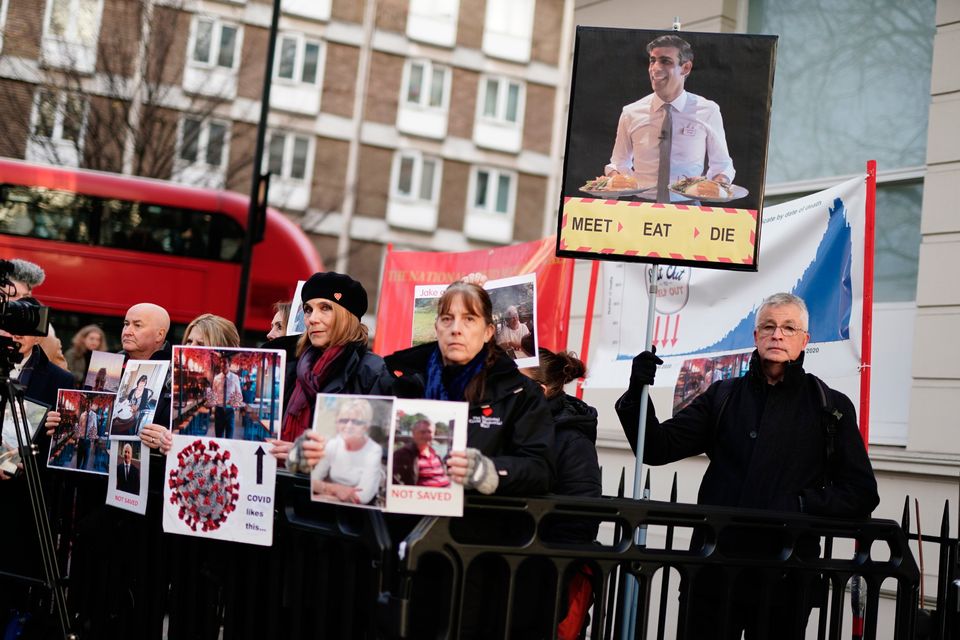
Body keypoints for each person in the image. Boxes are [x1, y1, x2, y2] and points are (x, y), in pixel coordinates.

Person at [617, 292, 879, 639]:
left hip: (786, 579)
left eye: (789, 327)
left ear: (805, 340)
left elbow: (861, 494)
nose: (777, 335)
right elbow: (656, 447)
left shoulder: (829, 405)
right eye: (768, 326)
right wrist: (638, 390)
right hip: (713, 574)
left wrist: (801, 504)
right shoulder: (722, 396)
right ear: (755, 337)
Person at [383, 281, 554, 496]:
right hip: (406, 524)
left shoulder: (520, 393)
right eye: (447, 319)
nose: (456, 329)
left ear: (488, 332)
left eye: (469, 319)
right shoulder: (403, 383)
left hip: (475, 525)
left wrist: (488, 471)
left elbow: (540, 471)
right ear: (437, 327)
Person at [521, 348, 601, 640]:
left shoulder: (571, 439)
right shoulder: (513, 428)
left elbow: (581, 520)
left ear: (539, 391)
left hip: (544, 584)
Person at [272, 272, 392, 467]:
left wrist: (308, 455)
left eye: (325, 308)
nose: (312, 319)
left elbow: (379, 454)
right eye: (308, 310)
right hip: (281, 489)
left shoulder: (375, 372)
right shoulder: (290, 367)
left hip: (335, 494)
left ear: (347, 316)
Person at [605, 34, 734, 201]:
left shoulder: (708, 111)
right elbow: (619, 163)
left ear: (685, 68)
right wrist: (615, 178)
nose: (655, 68)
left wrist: (718, 185)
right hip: (639, 208)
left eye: (665, 61)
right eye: (652, 60)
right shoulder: (631, 112)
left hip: (689, 209)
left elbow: (722, 166)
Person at [312, 398, 384, 505]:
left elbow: (362, 498)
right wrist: (334, 489)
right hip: (332, 505)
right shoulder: (333, 444)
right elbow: (314, 480)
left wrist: (321, 496)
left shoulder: (374, 450)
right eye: (343, 420)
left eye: (356, 422)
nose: (348, 426)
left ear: (366, 426)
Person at [392, 419, 451, 487]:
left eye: (430, 432)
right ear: (413, 434)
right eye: (422, 432)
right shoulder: (402, 455)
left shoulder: (436, 454)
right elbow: (395, 482)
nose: (427, 435)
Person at [209, 360, 243, 439]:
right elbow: (213, 395)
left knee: (229, 438)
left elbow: (239, 394)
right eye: (222, 366)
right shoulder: (216, 378)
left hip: (230, 411)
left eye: (225, 366)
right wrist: (211, 402)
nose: (223, 368)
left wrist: (234, 402)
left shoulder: (235, 378)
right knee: (218, 437)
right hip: (219, 411)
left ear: (229, 366)